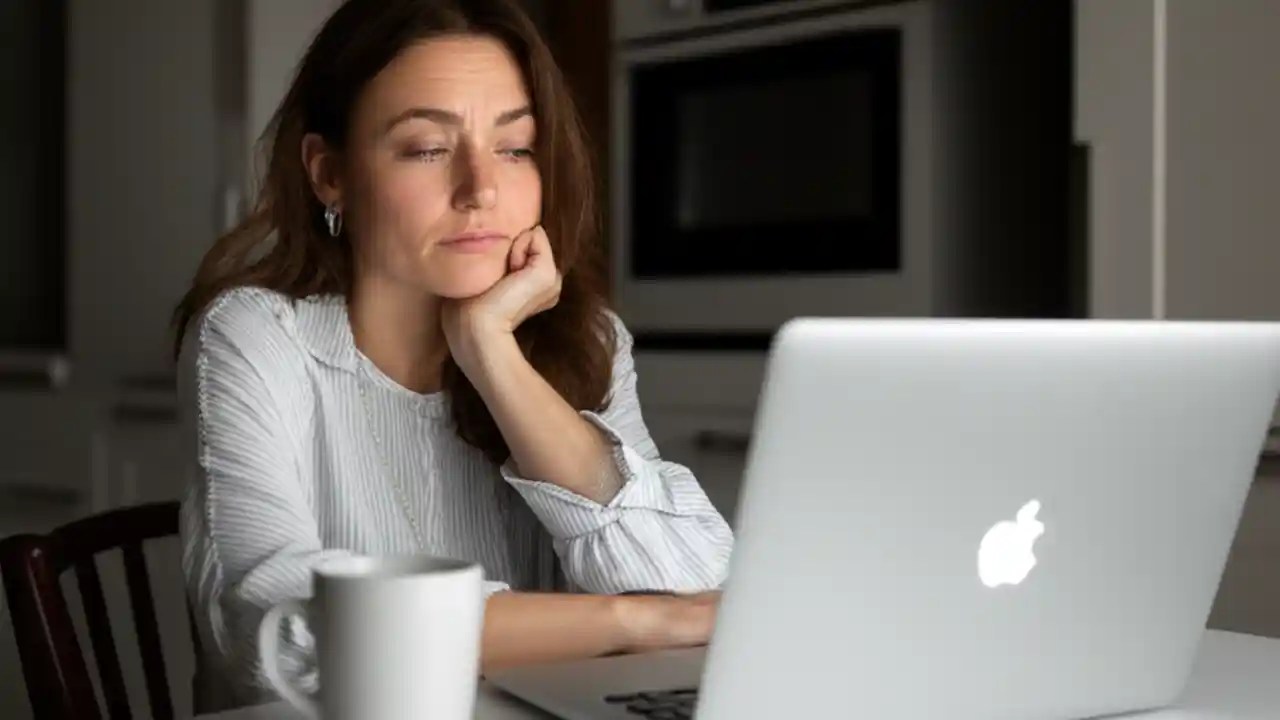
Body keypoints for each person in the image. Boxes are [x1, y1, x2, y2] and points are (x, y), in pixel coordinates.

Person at [173, 0, 733, 711]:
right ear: (330, 174)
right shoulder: (256, 337)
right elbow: (275, 628)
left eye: (515, 147)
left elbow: (697, 583)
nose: (481, 189)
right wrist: (633, 623)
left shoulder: (588, 341)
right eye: (427, 149)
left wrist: (491, 353)